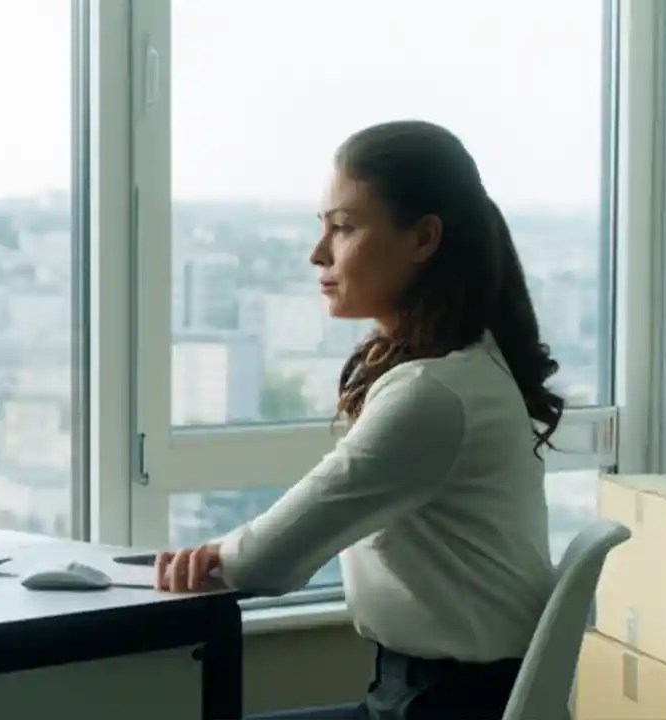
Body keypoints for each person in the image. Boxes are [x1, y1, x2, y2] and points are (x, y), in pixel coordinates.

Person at [154, 120, 563, 720]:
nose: (318, 253)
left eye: (343, 227)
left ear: (423, 238)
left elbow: (269, 562)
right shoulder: (466, 368)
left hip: (449, 706)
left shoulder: (433, 395)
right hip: (440, 695)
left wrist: (216, 556)